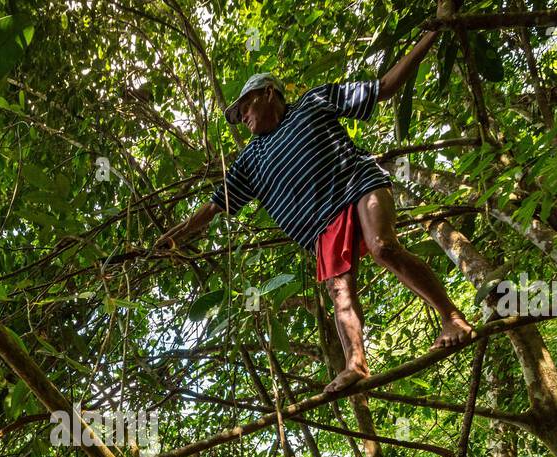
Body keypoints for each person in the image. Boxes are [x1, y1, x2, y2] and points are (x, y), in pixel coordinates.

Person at [154, 32, 474, 395]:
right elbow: (213, 207)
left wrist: (432, 32)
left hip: (358, 186)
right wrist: (174, 238)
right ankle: (356, 364)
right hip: (321, 227)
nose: (241, 117)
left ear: (269, 94)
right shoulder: (249, 160)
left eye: (245, 106)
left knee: (383, 247)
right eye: (237, 114)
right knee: (341, 296)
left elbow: (384, 87)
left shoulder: (312, 102)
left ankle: (451, 317)